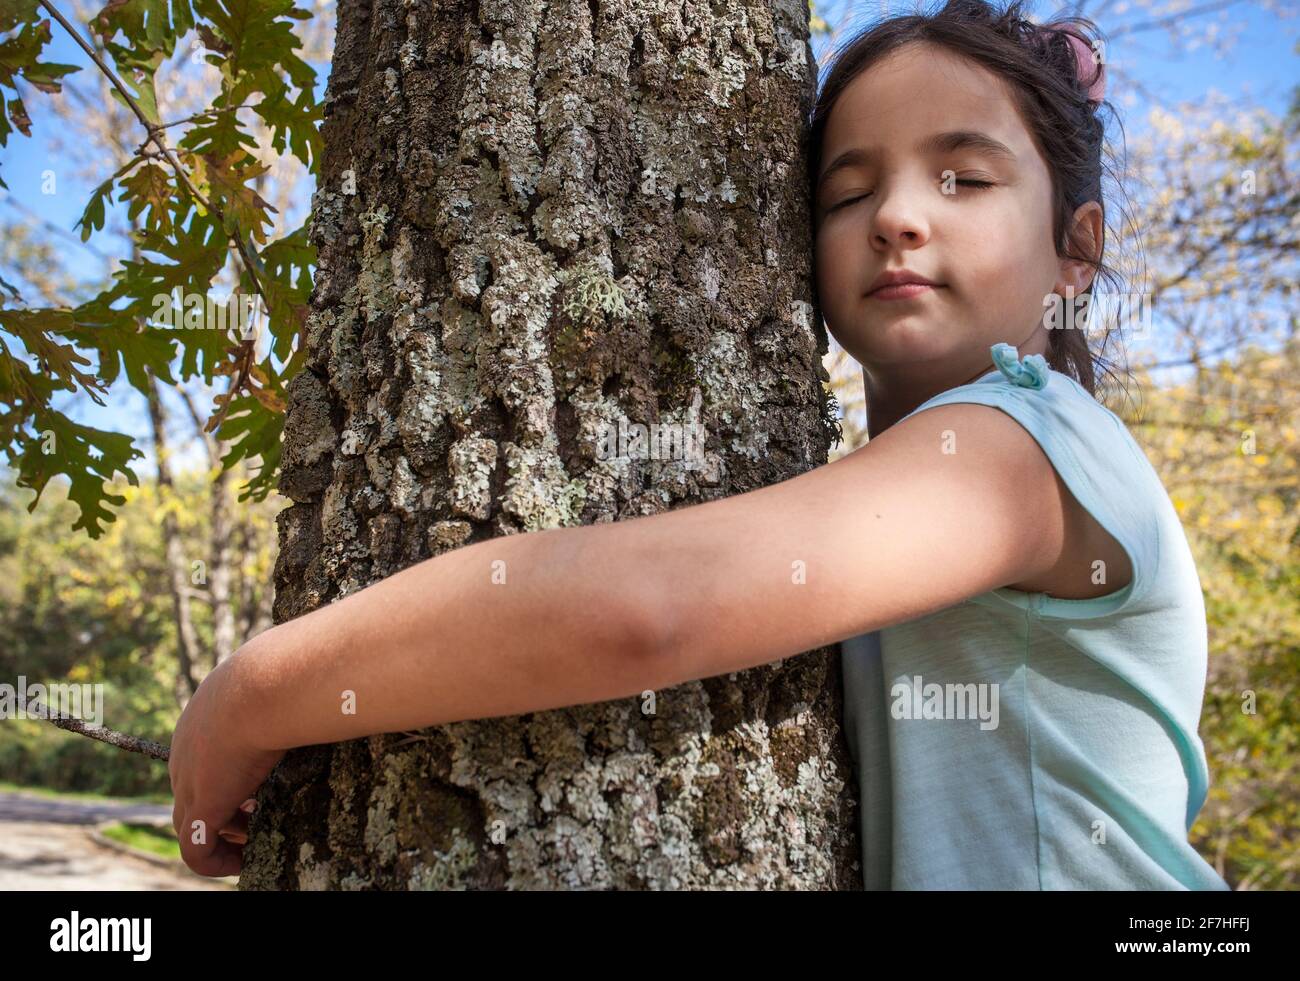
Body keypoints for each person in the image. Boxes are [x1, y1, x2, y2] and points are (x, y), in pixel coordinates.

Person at [169, 0, 1230, 890]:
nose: (897, 216)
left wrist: (249, 698)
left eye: (964, 177)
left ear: (1075, 251)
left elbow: (648, 609)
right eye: (847, 191)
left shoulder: (1029, 448)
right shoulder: (917, 484)